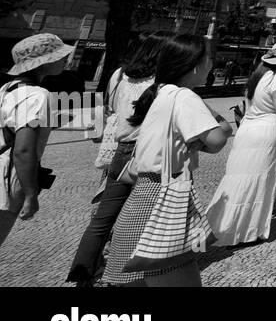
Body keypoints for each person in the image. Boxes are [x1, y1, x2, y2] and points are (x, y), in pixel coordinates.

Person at [100, 34, 231, 287]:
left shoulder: (160, 91)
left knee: (141, 279)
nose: (212, 64)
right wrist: (197, 140)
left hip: (144, 194)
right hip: (166, 198)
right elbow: (217, 139)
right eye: (209, 58)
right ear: (195, 65)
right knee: (174, 274)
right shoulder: (184, 97)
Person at [66, 32, 164, 284]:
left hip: (118, 150)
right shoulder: (160, 82)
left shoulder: (118, 74)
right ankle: (124, 271)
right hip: (146, 151)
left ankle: (84, 272)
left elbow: (108, 107)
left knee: (102, 216)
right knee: (138, 215)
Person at [205, 43, 276, 247]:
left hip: (246, 129)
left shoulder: (255, 77)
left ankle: (222, 224)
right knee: (259, 179)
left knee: (236, 177)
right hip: (265, 129)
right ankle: (247, 230)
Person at [1, 33, 74, 251]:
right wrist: (31, 194)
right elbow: (23, 149)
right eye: (60, 56)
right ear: (44, 62)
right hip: (6, 178)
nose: (65, 60)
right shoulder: (38, 95)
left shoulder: (7, 88)